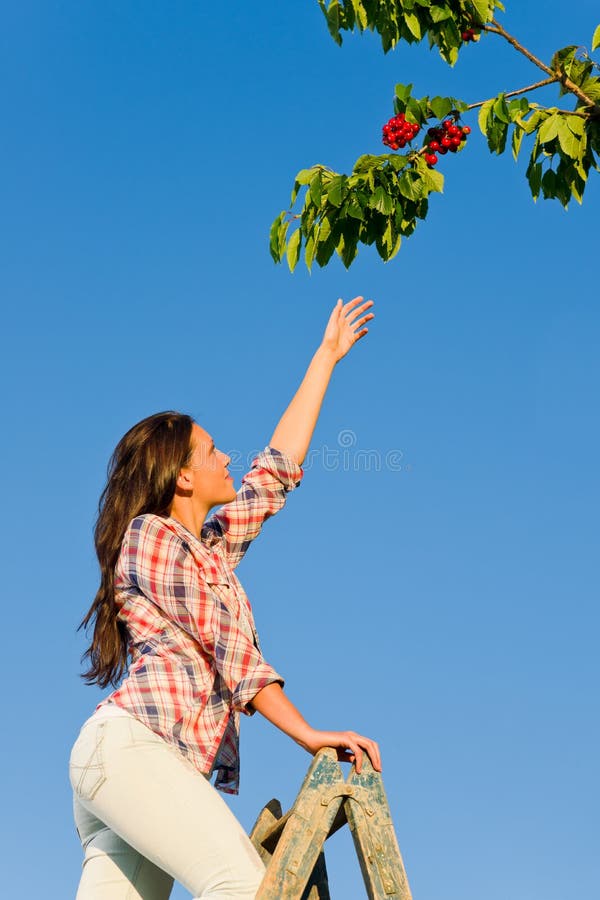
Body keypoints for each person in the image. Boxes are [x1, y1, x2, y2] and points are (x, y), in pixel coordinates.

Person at [69, 295, 381, 899]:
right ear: (183, 476)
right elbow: (229, 647)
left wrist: (325, 357)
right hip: (130, 751)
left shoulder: (208, 548)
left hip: (141, 767)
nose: (227, 456)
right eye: (212, 451)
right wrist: (308, 733)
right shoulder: (150, 537)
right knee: (242, 886)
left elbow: (275, 473)